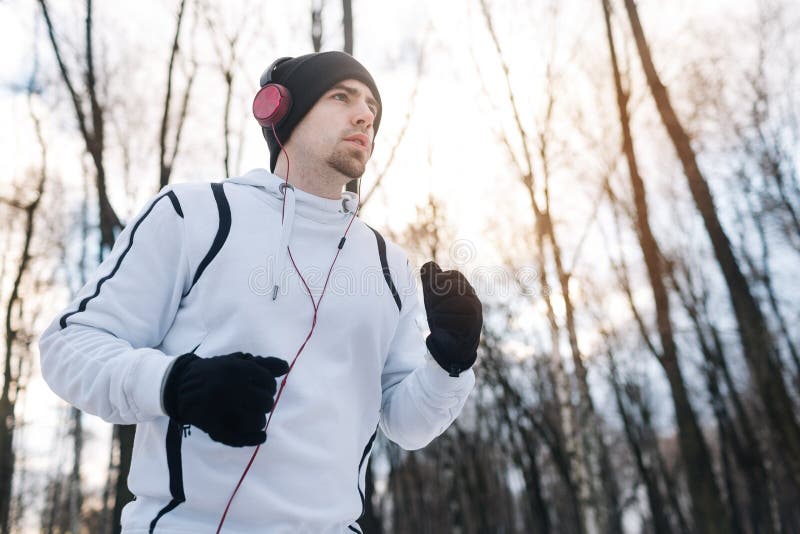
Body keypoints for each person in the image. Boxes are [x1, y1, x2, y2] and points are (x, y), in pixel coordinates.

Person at [39, 51, 483, 533]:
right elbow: (69, 346)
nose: (365, 116)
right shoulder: (196, 214)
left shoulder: (387, 263)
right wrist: (174, 383)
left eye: (372, 107)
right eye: (342, 96)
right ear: (278, 109)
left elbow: (406, 422)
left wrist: (448, 362)